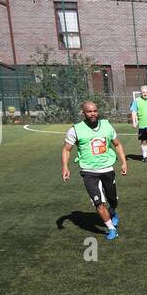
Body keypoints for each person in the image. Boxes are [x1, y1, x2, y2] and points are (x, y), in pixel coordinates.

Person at [62, 100, 127, 241]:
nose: (92, 114)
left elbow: (117, 144)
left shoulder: (107, 125)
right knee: (98, 202)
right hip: (89, 171)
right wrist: (65, 167)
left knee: (113, 200)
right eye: (89, 111)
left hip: (107, 168)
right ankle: (111, 229)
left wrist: (123, 162)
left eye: (95, 111)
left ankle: (112, 211)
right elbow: (67, 149)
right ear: (83, 113)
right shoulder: (75, 130)